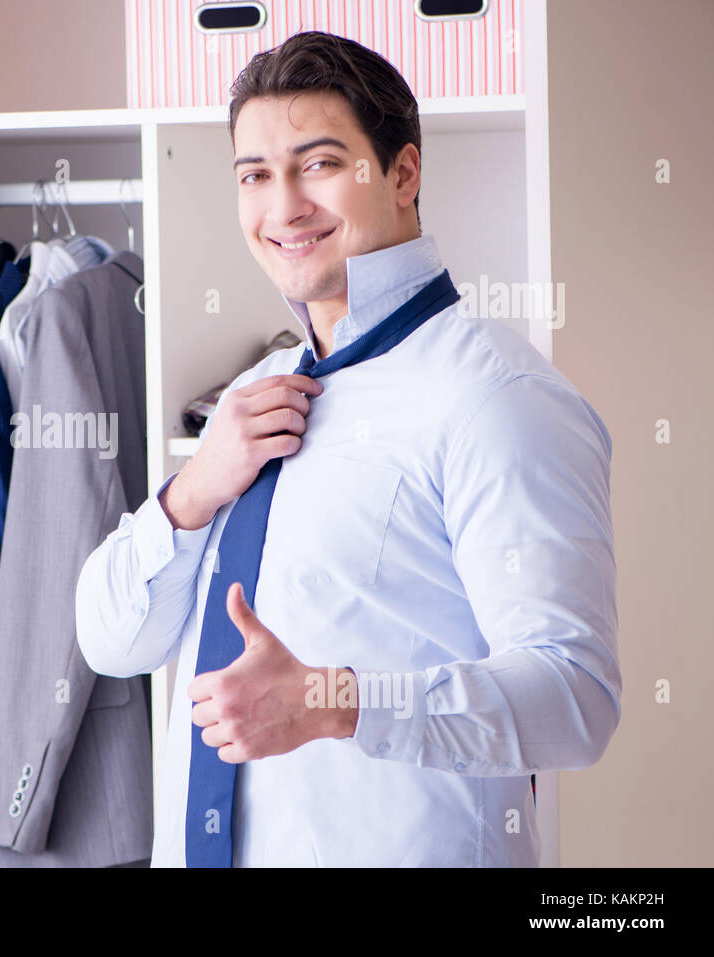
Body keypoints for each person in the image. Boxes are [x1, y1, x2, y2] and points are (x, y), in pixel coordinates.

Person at [74, 32, 621, 867]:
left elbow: (575, 699)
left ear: (402, 174)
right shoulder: (249, 402)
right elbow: (111, 643)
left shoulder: (495, 398)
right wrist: (193, 493)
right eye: (255, 175)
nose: (283, 206)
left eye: (318, 163)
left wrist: (334, 702)